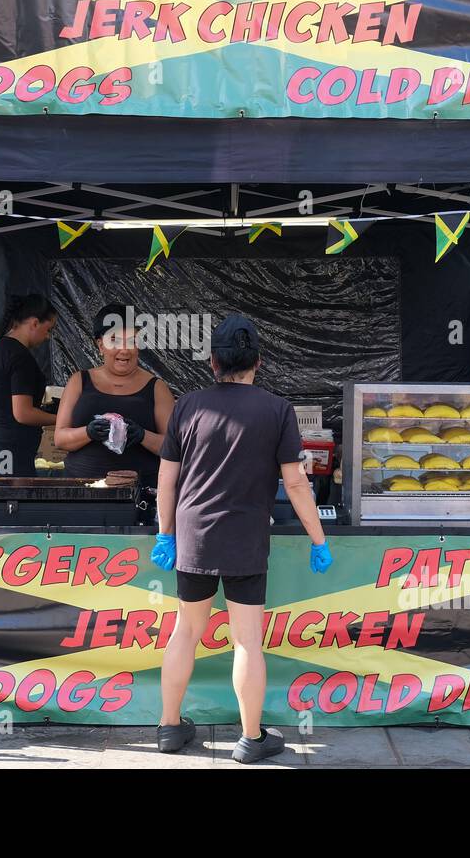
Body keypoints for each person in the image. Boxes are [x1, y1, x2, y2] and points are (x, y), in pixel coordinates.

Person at [150, 313, 332, 764]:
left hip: (193, 537)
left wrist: (165, 534)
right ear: (259, 362)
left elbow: (166, 480)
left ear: (212, 361)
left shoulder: (187, 406)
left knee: (185, 633)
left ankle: (169, 728)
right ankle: (251, 739)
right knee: (247, 641)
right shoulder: (277, 409)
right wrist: (318, 538)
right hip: (246, 539)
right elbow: (295, 484)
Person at [55, 304, 174, 489]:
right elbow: (60, 439)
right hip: (81, 490)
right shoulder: (79, 381)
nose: (124, 350)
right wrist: (88, 432)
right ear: (100, 345)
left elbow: (173, 446)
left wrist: (143, 435)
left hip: (140, 493)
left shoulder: (157, 388)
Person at [0, 293, 58, 477]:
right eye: (48, 329)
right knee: (13, 505)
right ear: (34, 323)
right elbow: (23, 413)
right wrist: (61, 419)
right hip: (8, 452)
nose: (47, 337)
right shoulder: (19, 357)